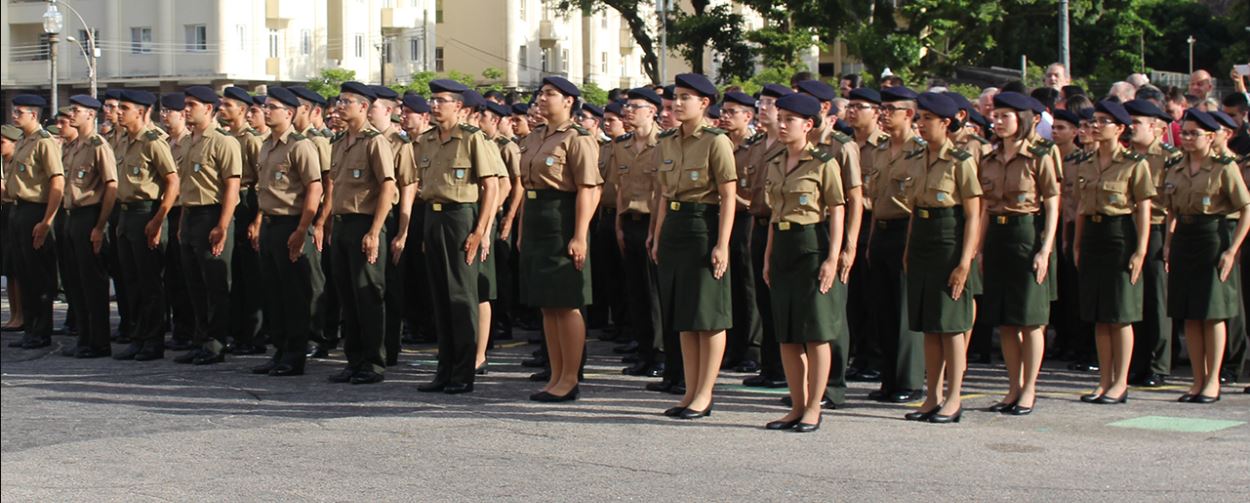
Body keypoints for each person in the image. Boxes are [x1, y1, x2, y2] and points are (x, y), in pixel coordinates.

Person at [652, 73, 737, 419]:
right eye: (676, 97)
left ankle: (705, 393)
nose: (677, 103)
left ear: (704, 103)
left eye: (685, 97)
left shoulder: (717, 141)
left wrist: (722, 244)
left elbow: (728, 195)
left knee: (708, 315)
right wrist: (658, 234)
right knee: (685, 316)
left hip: (703, 225)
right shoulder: (667, 140)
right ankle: (690, 391)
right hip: (674, 225)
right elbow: (662, 194)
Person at [760, 93, 846, 433]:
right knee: (787, 333)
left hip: (811, 244)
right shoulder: (775, 161)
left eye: (789, 120)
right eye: (780, 118)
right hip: (782, 246)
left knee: (815, 332)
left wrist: (832, 258)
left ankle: (813, 407)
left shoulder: (823, 162)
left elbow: (837, 210)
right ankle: (796, 406)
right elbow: (773, 214)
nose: (782, 125)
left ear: (808, 125)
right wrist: (768, 256)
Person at [517, 76, 602, 402]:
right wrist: (522, 230)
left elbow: (588, 189)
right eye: (541, 93)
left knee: (566, 303)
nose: (542, 98)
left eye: (550, 94)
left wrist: (580, 235)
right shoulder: (535, 136)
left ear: (568, 101)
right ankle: (555, 374)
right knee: (547, 305)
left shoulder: (577, 138)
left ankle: (570, 378)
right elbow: (527, 188)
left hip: (562, 220)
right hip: (536, 219)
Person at [979, 92, 1061, 416]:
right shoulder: (989, 157)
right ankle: (1012, 387)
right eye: (996, 116)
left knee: (1030, 319)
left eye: (1005, 116)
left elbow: (1052, 203)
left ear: (1022, 119)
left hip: (1027, 233)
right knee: (1006, 321)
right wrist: (979, 249)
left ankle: (1029, 389)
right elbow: (985, 207)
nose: (997, 122)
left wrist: (1046, 248)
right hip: (997, 236)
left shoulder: (1039, 155)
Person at [902, 92, 982, 424]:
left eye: (927, 119)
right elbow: (914, 209)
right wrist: (908, 248)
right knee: (929, 326)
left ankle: (953, 398)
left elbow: (973, 215)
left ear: (946, 123)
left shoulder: (960, 161)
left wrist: (964, 262)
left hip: (948, 240)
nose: (920, 124)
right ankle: (932, 396)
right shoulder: (917, 157)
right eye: (919, 118)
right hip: (922, 239)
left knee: (951, 327)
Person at [1164, 110, 1250, 404]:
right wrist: (1168, 243)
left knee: (1211, 313)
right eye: (1185, 133)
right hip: (1184, 238)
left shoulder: (1225, 167)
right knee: (1190, 312)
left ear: (1211, 137)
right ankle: (1197, 380)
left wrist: (1232, 250)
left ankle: (1213, 380)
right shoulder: (1176, 165)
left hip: (1212, 237)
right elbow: (1171, 209)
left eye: (1194, 134)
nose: (1187, 139)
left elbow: (1246, 209)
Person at [1073, 100, 1155, 405]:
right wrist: (1077, 243)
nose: (1095, 126)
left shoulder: (1134, 163)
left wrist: (1141, 250)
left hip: (1119, 235)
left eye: (1103, 121)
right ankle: (1104, 380)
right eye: (1094, 120)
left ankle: (1120, 382)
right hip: (1093, 236)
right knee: (1099, 314)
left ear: (1120, 128)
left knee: (1120, 314)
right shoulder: (1086, 162)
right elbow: (1081, 206)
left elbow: (1143, 208)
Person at [795, 79, 864, 407]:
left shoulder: (841, 146)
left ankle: (833, 386)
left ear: (824, 108)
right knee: (807, 315)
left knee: (831, 313)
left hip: (829, 232)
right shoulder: (797, 145)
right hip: (803, 232)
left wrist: (848, 247)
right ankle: (808, 385)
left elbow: (853, 200)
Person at [251, 87, 326, 377]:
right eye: (266, 106)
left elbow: (315, 188)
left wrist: (303, 228)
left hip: (291, 224)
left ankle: (294, 356)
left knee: (294, 294)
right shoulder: (266, 145)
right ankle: (279, 351)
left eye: (272, 107)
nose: (266, 111)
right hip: (270, 225)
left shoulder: (300, 145)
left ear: (289, 113)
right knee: (274, 292)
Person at [325, 81, 396, 385]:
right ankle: (354, 360)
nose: (340, 107)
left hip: (364, 224)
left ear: (364, 107)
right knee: (347, 296)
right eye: (339, 101)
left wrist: (375, 231)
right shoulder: (340, 142)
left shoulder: (374, 141)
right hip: (342, 224)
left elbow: (387, 186)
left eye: (347, 102)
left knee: (368, 295)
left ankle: (373, 362)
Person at [862, 86, 927, 403]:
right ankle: (889, 379)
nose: (884, 115)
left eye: (891, 110)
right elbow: (875, 199)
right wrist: (872, 240)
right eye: (882, 110)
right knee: (883, 309)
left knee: (904, 309)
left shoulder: (920, 151)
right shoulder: (880, 149)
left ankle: (910, 380)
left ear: (909, 114)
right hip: (882, 230)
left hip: (907, 230)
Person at [172, 86, 242, 365]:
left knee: (215, 284)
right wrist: (182, 222)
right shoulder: (188, 141)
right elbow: (186, 186)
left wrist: (222, 226)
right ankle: (200, 339)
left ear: (209, 109)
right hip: (190, 215)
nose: (186, 109)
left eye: (192, 105)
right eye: (186, 104)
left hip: (212, 215)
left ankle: (215, 343)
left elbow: (232, 187)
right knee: (194, 284)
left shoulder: (223, 142)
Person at [111, 90, 180, 361]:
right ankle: (138, 337)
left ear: (140, 112)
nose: (118, 112)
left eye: (124, 108)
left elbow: (172, 181)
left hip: (146, 212)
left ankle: (153, 340)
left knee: (150, 282)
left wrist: (159, 218)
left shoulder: (153, 142)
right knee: (131, 281)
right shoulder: (123, 141)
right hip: (126, 214)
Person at [1121, 99, 1184, 388]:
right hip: (1129, 227)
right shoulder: (1126, 156)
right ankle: (1138, 361)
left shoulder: (1170, 158)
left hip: (1158, 229)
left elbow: (1174, 205)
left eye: (1137, 122)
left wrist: (1170, 240)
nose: (1131, 127)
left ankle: (1159, 364)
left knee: (1157, 300)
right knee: (1134, 298)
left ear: (1156, 128)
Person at [742, 83, 794, 390]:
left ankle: (783, 369)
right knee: (762, 296)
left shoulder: (790, 146)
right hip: (758, 224)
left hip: (781, 226)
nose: (763, 108)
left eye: (770, 103)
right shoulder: (756, 144)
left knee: (780, 300)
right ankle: (769, 365)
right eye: (761, 103)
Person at [613, 87, 666, 379]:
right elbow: (620, 189)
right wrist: (619, 225)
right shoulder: (622, 145)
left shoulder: (664, 143)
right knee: (636, 292)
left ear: (653, 111)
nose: (628, 111)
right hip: (630, 222)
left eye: (636, 107)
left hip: (653, 223)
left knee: (654, 292)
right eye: (627, 106)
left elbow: (662, 192)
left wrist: (655, 231)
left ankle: (660, 354)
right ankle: (644, 352)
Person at [5, 95, 64, 350]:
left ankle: (41, 330)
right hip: (17, 210)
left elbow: (57, 182)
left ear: (33, 115)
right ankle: (30, 328)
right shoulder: (22, 141)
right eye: (14, 111)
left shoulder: (44, 142)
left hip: (35, 210)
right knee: (23, 273)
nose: (14, 116)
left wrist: (46, 221)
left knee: (38, 275)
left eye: (19, 112)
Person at [366, 85, 418, 367]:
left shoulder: (399, 143)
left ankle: (390, 347)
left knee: (389, 286)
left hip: (390, 217)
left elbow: (408, 186)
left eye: (372, 107)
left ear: (387, 110)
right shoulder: (362, 139)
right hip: (365, 215)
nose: (368, 111)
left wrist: (403, 231)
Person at [719, 90, 764, 374]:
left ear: (748, 116)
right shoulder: (720, 142)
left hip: (747, 217)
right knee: (729, 285)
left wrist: (734, 198)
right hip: (723, 219)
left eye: (731, 112)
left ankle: (752, 348)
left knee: (748, 285)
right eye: (723, 111)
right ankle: (734, 346)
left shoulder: (757, 146)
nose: (725, 116)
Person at [220, 87, 267, 355]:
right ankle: (237, 333)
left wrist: (257, 219)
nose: (222, 109)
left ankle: (254, 336)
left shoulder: (251, 140)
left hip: (249, 202)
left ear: (242, 110)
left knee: (251, 275)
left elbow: (263, 183)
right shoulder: (226, 137)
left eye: (228, 105)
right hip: (232, 203)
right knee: (234, 272)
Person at [158, 93, 196, 352]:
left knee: (184, 275)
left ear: (182, 115)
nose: (163, 116)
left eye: (168, 111)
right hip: (165, 211)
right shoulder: (164, 142)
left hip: (183, 210)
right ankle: (178, 327)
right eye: (162, 111)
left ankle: (189, 330)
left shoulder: (189, 143)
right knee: (171, 274)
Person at [1, 124, 27, 333]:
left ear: (15, 143)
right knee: (9, 268)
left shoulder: (19, 163)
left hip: (16, 209)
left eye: (2, 142)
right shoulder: (4, 163)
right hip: (6, 213)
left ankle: (22, 315)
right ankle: (14, 314)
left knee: (18, 268)